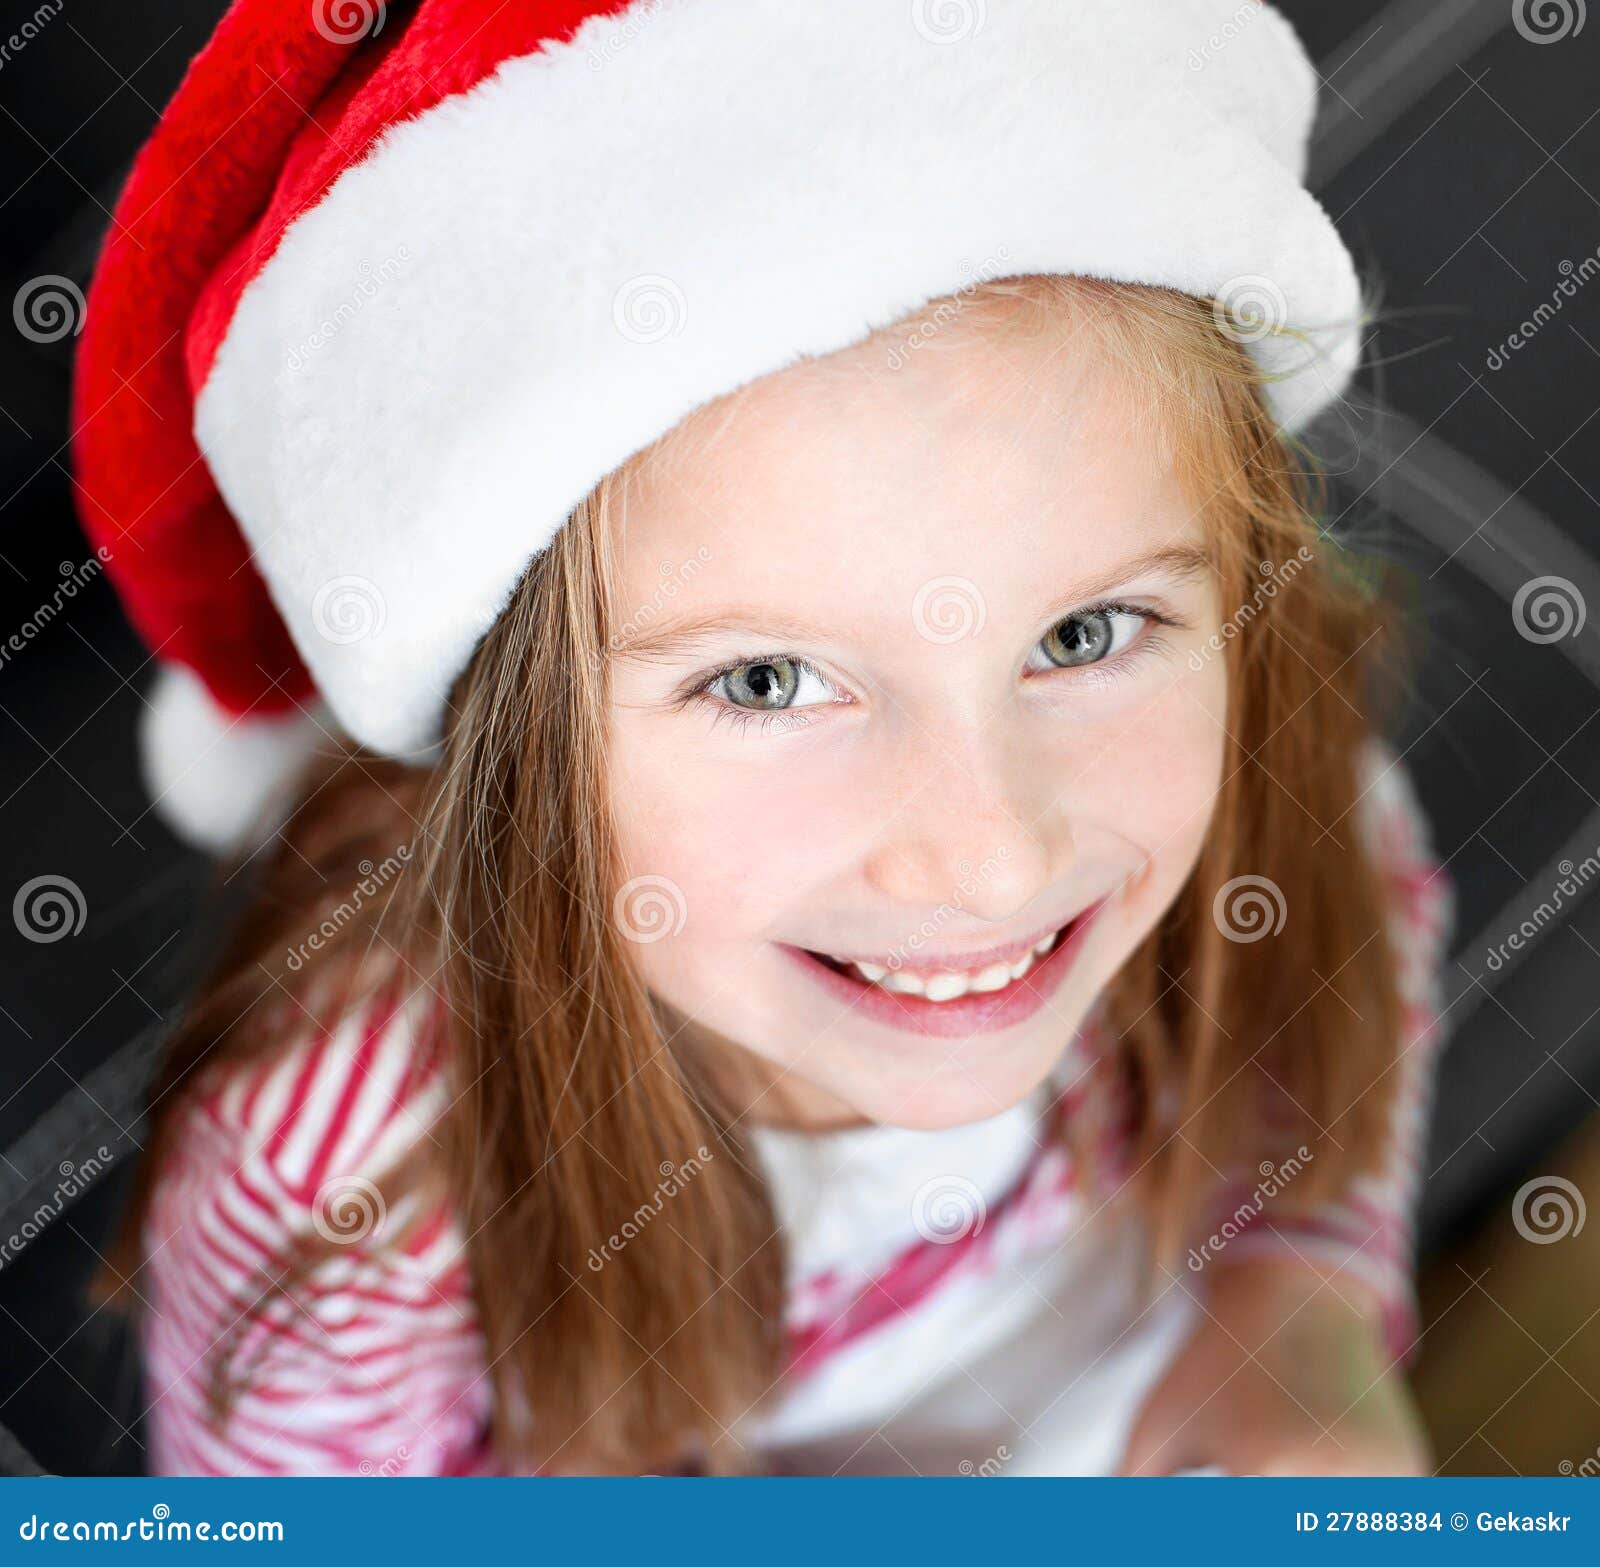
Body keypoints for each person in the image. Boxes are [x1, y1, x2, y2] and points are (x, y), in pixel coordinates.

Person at [71, 0, 1452, 1477]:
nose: (993, 860)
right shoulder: (348, 1177)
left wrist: (1286, 1324)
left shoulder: (1275, 772)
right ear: (514, 747)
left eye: (1083, 636)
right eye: (770, 682)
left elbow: (1324, 1017)